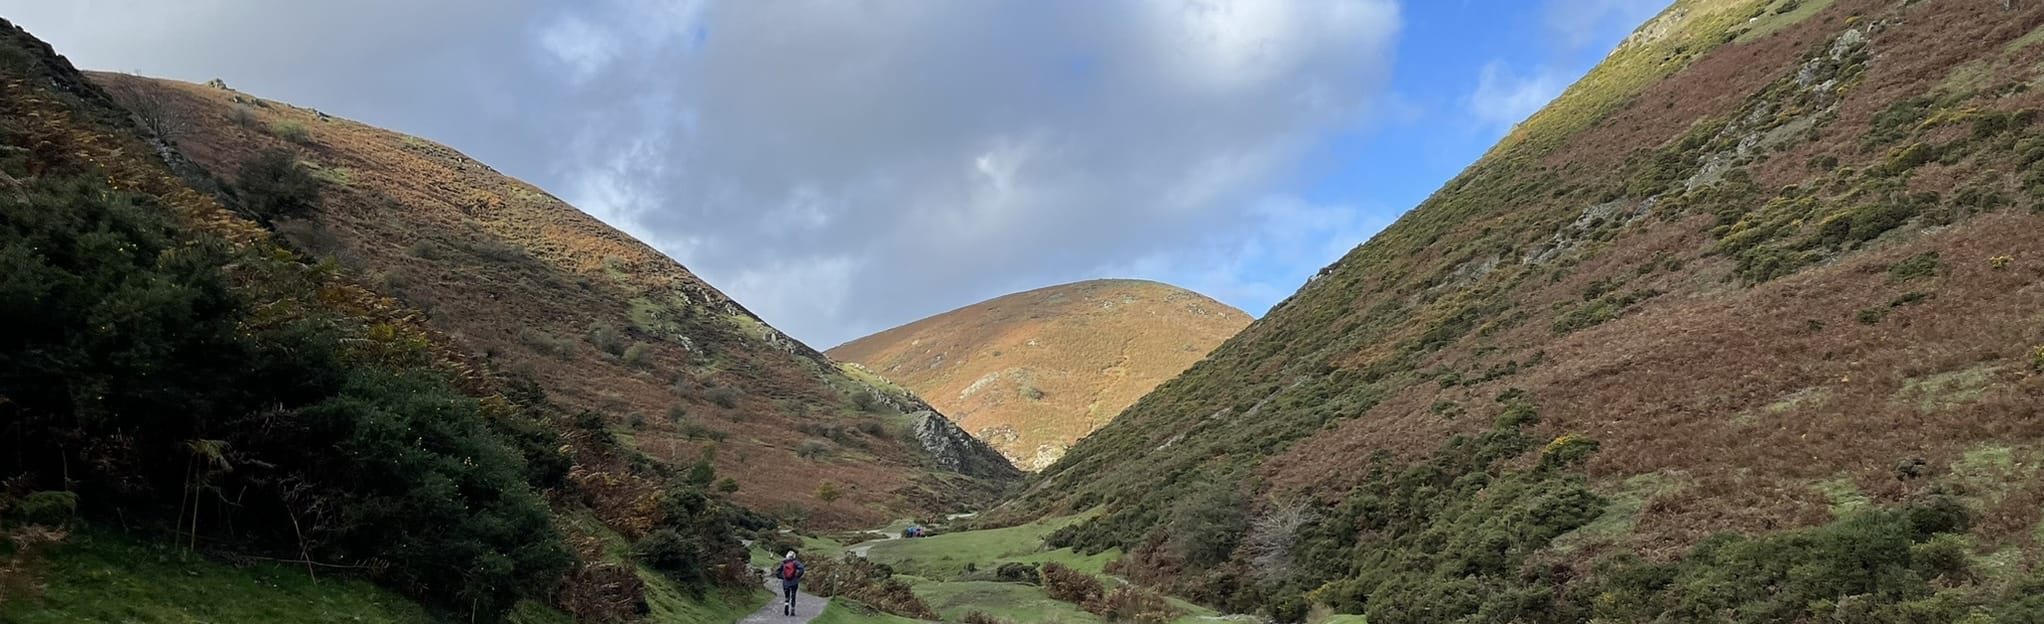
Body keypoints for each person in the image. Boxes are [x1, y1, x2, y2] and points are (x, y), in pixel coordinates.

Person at [775, 551, 805, 615]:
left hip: (786, 582)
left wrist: (782, 577)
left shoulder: (783, 563)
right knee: (793, 595)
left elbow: (777, 572)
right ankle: (792, 609)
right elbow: (802, 569)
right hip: (794, 581)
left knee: (787, 595)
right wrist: (797, 576)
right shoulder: (795, 562)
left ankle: (786, 604)